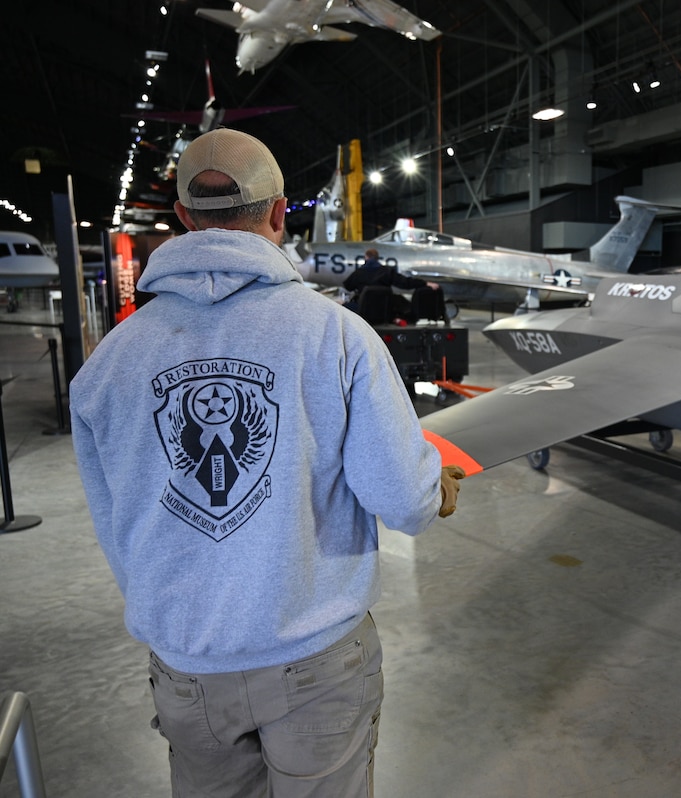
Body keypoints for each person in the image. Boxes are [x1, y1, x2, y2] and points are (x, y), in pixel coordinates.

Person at [69, 128, 466, 797]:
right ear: (281, 214)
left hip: (188, 663)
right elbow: (401, 497)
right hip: (313, 663)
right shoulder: (336, 336)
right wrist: (437, 489)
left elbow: (117, 523)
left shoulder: (109, 363)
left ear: (185, 219)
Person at [342, 247, 440, 323]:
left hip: (364, 311)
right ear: (377, 258)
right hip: (385, 312)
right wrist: (425, 283)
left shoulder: (359, 273)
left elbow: (347, 286)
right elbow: (405, 283)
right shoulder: (387, 272)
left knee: (343, 308)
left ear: (366, 257)